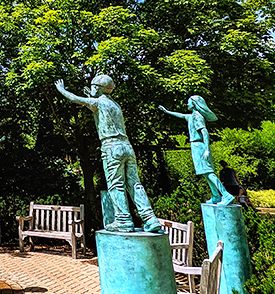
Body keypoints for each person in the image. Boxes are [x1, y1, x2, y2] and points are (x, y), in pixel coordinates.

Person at [56, 75, 163, 233]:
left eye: (93, 86)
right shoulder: (115, 104)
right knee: (135, 184)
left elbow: (74, 98)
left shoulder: (98, 102)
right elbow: (98, 104)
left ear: (97, 88)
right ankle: (150, 218)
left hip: (111, 147)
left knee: (116, 184)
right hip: (127, 146)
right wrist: (91, 96)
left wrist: (61, 90)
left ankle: (123, 220)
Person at [158, 97, 233, 206]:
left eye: (188, 102)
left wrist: (207, 149)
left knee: (208, 172)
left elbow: (205, 132)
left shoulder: (197, 116)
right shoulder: (192, 116)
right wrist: (167, 111)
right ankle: (216, 195)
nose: (187, 104)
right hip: (195, 145)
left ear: (194, 103)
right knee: (205, 173)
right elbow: (182, 115)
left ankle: (226, 195)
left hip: (199, 146)